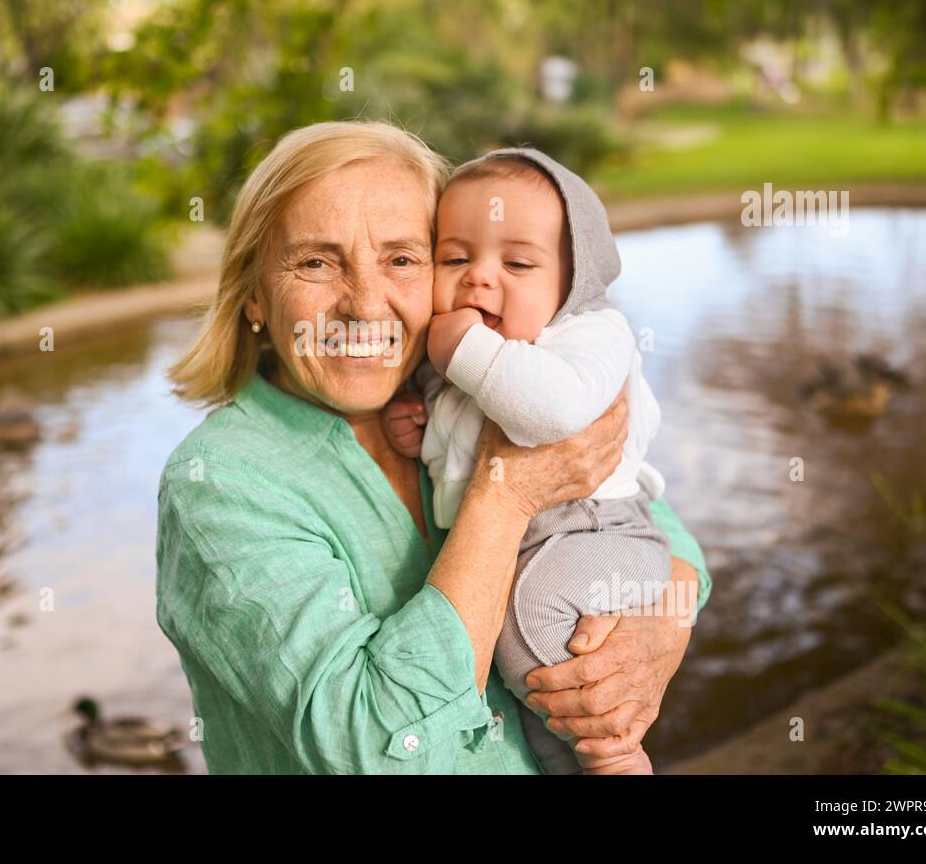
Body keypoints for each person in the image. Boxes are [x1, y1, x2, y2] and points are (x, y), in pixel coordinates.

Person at [155, 120, 712, 773]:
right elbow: (377, 752)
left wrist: (660, 627)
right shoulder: (220, 481)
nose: (366, 306)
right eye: (316, 263)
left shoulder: (472, 390)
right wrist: (504, 496)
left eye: (402, 259)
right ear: (253, 294)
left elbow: (651, 520)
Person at [385, 147, 676, 774]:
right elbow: (463, 440)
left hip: (596, 530)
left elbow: (552, 412)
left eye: (517, 263)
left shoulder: (590, 333)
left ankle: (617, 752)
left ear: (573, 282)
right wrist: (419, 425)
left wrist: (462, 349)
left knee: (529, 615)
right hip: (525, 546)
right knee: (529, 725)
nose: (479, 278)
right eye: (455, 259)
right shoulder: (469, 357)